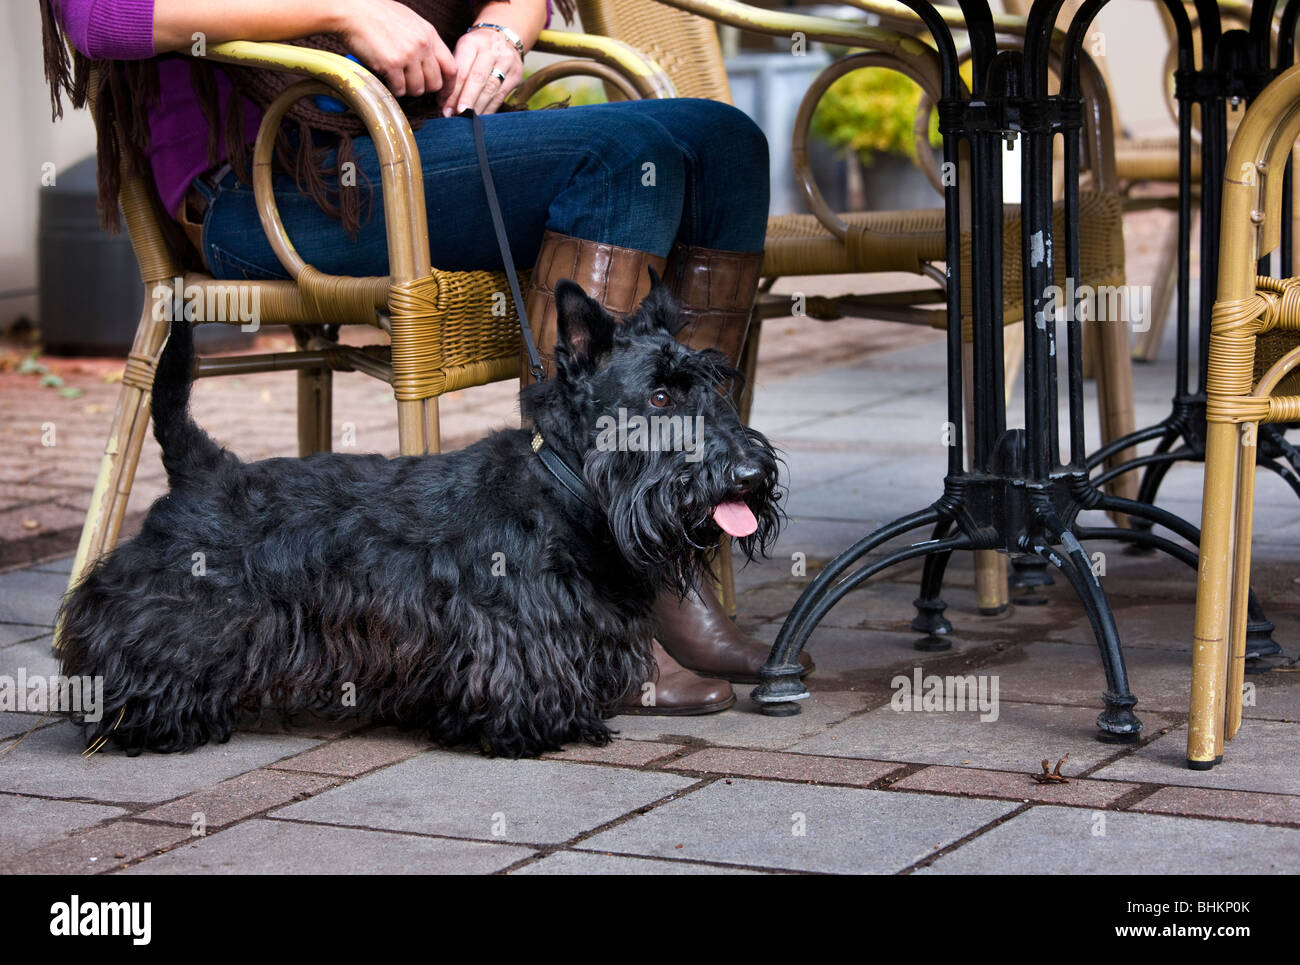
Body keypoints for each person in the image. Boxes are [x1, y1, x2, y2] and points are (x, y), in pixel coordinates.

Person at [41, 0, 812, 714]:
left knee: (726, 142)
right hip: (268, 179)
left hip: (416, 144)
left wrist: (504, 31)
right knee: (621, 157)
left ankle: (663, 542)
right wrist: (346, 11)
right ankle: (590, 584)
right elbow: (96, 17)